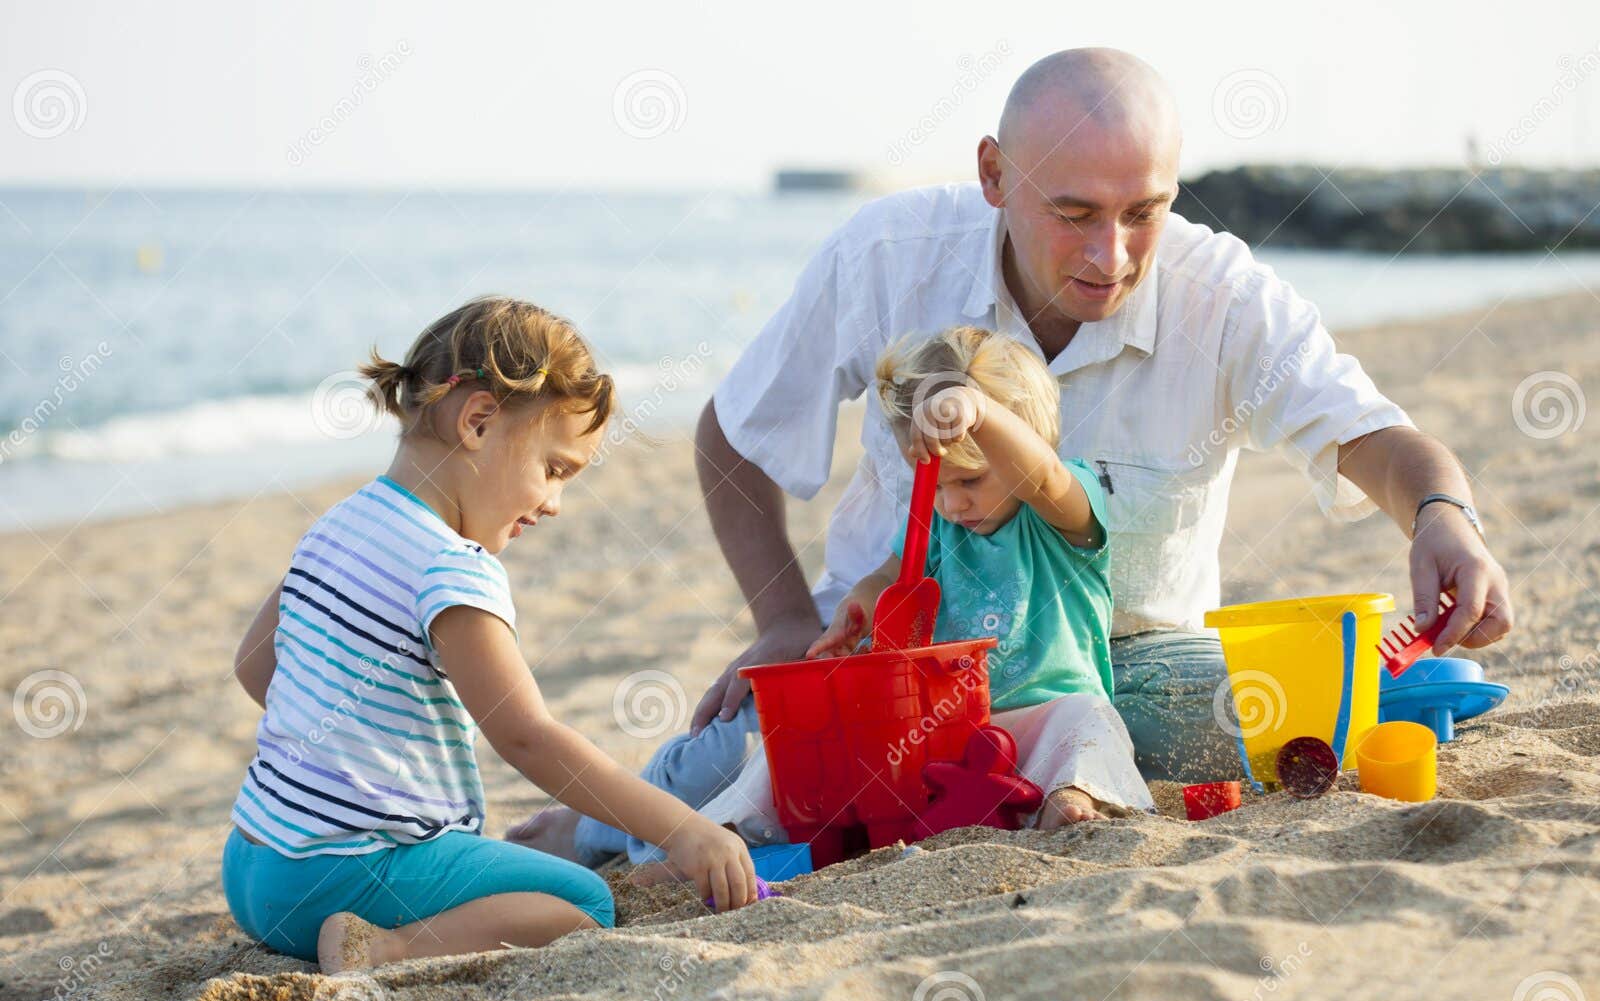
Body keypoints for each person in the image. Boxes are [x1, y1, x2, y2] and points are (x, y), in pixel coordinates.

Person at [514, 47, 1513, 867]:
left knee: (1269, 710)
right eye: (1073, 212)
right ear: (994, 174)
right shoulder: (887, 253)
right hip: (899, 663)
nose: (1110, 257)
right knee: (743, 757)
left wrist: (1442, 518)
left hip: (1118, 665)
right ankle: (588, 825)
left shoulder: (1223, 293)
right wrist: (781, 617)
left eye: (1143, 213)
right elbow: (733, 433)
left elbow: (1373, 437)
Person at [225, 296, 758, 974]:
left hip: (252, 864)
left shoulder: (335, 525)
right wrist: (682, 827)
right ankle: (384, 946)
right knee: (582, 901)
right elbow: (526, 736)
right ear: (477, 421)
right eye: (555, 468)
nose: (555, 502)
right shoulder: (452, 564)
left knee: (509, 869)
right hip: (341, 874)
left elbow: (253, 665)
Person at [697, 326, 1154, 844]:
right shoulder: (936, 523)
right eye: (934, 482)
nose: (951, 504)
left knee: (1089, 718)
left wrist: (977, 413)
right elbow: (889, 576)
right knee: (795, 742)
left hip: (1038, 720)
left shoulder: (1059, 510)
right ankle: (725, 829)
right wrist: (859, 607)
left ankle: (1072, 797)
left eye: (970, 481)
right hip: (944, 730)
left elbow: (1041, 475)